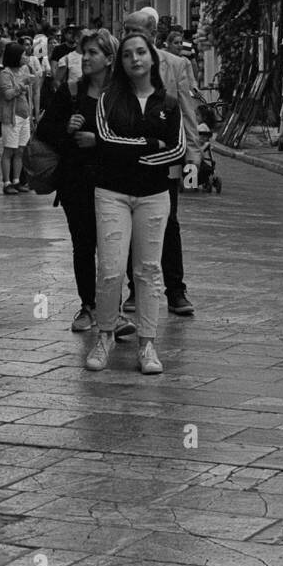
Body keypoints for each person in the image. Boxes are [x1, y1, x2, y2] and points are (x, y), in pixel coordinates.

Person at [86, 33, 185, 374]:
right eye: (128, 55)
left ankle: (147, 343)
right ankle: (105, 335)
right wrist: (149, 144)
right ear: (122, 63)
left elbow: (177, 149)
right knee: (111, 269)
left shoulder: (168, 104)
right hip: (112, 192)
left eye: (141, 52)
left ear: (152, 58)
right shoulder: (109, 99)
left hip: (154, 196)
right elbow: (106, 140)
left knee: (148, 271)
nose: (135, 59)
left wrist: (139, 153)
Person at [37, 29, 133, 339]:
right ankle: (89, 306)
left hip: (113, 182)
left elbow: (133, 140)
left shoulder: (123, 95)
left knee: (113, 250)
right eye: (85, 52)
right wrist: (66, 128)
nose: (86, 58)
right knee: (83, 245)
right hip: (75, 182)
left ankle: (113, 310)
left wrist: (99, 140)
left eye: (93, 53)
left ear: (109, 58)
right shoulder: (71, 91)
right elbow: (45, 132)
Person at [122, 8, 201, 316]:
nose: (128, 35)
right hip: (128, 157)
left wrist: (193, 156)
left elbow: (188, 112)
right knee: (129, 223)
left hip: (165, 157)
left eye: (135, 30)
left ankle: (176, 290)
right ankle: (134, 290)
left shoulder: (177, 64)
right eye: (126, 29)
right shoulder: (121, 63)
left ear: (152, 34)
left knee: (169, 224)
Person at [0, 42, 33, 194]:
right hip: (12, 117)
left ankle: (17, 180)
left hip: (24, 116)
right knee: (9, 150)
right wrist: (21, 86)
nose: (25, 57)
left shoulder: (24, 70)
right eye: (23, 55)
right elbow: (7, 94)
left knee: (20, 150)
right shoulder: (5, 74)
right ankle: (6, 182)